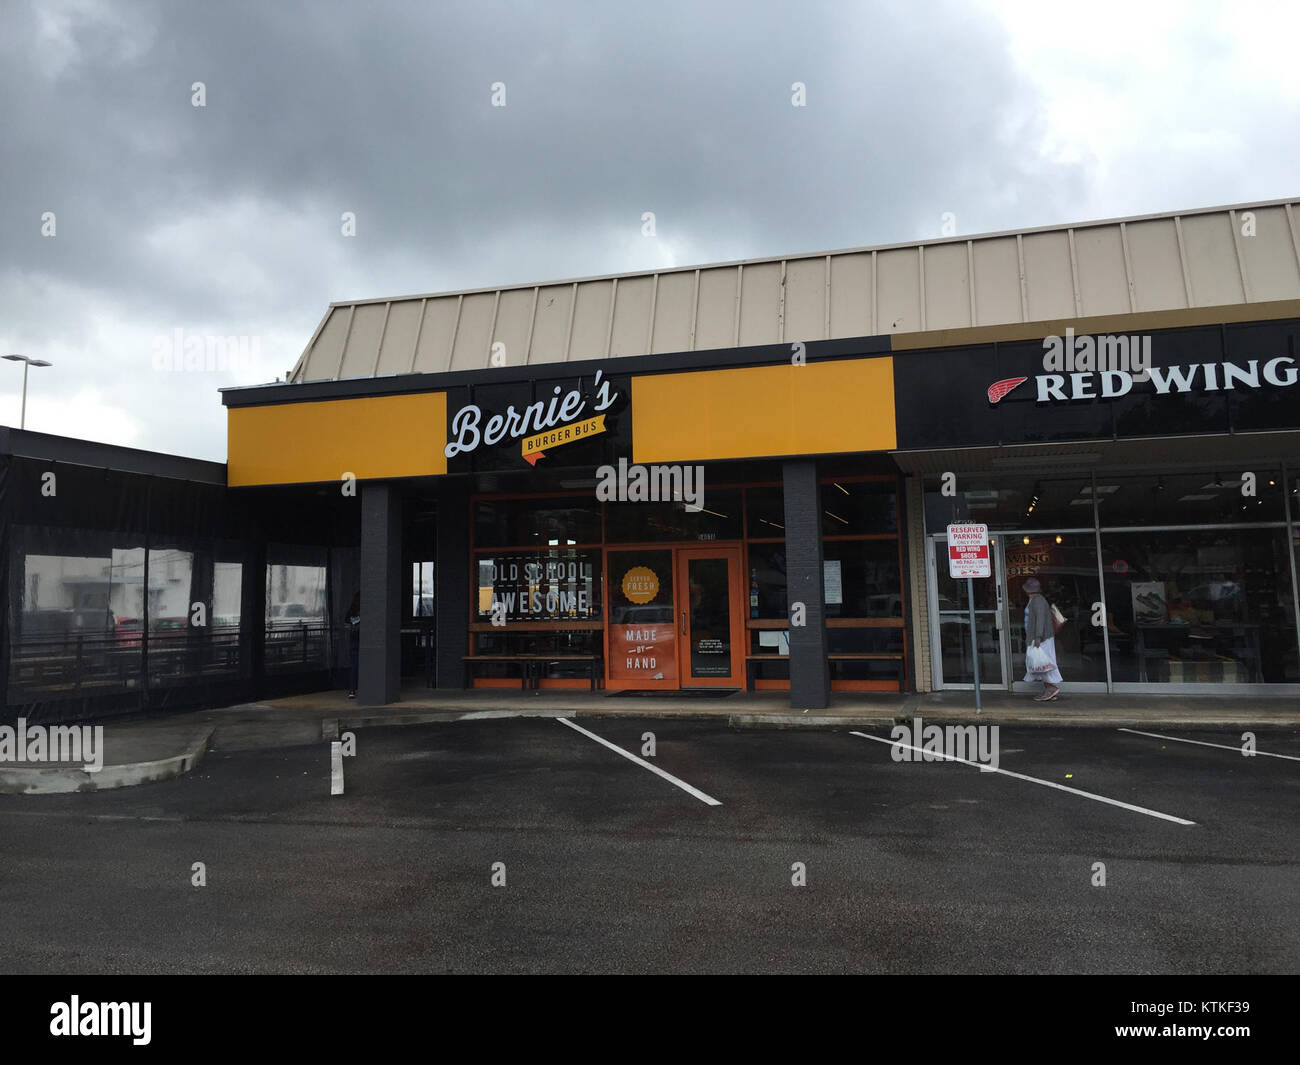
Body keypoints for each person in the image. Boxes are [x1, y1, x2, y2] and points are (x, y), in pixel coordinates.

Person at [1023, 577, 1061, 701]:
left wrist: (1038, 637)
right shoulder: (1036, 600)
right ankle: (1049, 690)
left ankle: (1051, 688)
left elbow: (1039, 620)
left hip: (1041, 638)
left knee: (1043, 664)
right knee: (1042, 663)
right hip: (1039, 637)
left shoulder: (1037, 601)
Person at [345, 592, 361, 699]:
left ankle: (352, 690)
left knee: (354, 665)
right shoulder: (366, 610)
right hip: (364, 641)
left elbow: (346, 625)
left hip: (353, 639)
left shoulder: (351, 612)